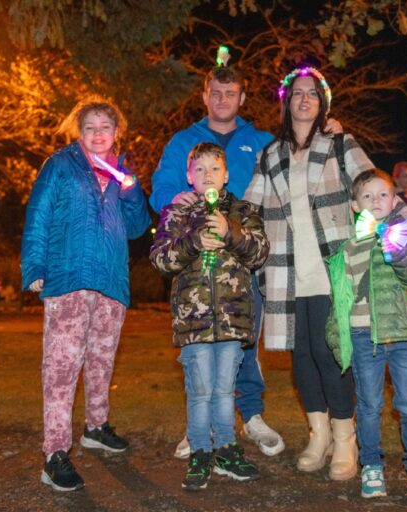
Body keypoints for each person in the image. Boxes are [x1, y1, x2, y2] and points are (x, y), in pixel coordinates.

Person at [244, 66, 373, 481]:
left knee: (329, 351)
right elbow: (251, 207)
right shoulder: (270, 155)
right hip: (284, 270)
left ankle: (345, 437)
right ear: (286, 102)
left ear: (322, 104)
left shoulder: (339, 143)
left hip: (332, 267)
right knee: (301, 358)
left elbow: (371, 188)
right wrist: (223, 226)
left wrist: (380, 231)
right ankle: (318, 435)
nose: (304, 100)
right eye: (297, 93)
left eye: (312, 95)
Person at [149, 64, 284, 459]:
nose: (222, 100)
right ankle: (201, 426)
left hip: (241, 262)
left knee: (242, 342)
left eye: (231, 94)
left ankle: (252, 416)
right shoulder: (182, 142)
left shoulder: (259, 141)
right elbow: (161, 193)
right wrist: (180, 203)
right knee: (199, 348)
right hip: (194, 264)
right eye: (215, 93)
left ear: (241, 98)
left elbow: (292, 162)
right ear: (205, 95)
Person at [21, 97, 151, 492]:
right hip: (68, 276)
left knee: (101, 361)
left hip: (110, 281)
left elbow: (138, 227)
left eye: (105, 128)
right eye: (90, 127)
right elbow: (38, 215)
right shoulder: (61, 165)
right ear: (79, 131)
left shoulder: (121, 174)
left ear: (116, 133)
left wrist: (131, 193)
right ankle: (55, 454)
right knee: (61, 369)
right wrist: (34, 267)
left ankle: (96, 426)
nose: (98, 134)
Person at [149, 142, 268, 490]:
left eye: (214, 168)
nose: (207, 175)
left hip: (232, 321)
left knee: (224, 389)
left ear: (227, 174)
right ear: (189, 177)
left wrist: (231, 233)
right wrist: (193, 241)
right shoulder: (177, 214)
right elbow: (160, 260)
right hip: (194, 323)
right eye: (199, 170)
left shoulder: (243, 211)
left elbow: (259, 254)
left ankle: (227, 450)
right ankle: (201, 452)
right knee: (200, 391)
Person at [325, 169, 407, 500]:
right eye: (368, 196)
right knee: (369, 405)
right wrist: (337, 335)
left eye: (383, 194)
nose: (376, 201)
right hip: (363, 337)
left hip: (405, 336)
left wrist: (397, 248)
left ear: (394, 199)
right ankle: (371, 465)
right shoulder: (347, 248)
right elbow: (340, 299)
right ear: (356, 206)